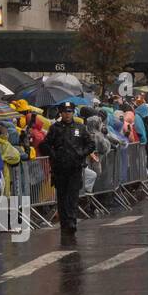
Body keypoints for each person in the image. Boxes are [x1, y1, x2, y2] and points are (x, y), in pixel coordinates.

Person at [43, 103, 94, 242]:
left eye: (69, 111)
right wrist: (54, 155)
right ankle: (64, 222)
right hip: (60, 169)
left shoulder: (80, 128)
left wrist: (81, 153)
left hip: (75, 168)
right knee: (62, 197)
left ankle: (71, 222)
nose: (67, 114)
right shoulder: (55, 128)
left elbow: (90, 144)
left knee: (73, 196)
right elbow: (45, 144)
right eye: (65, 112)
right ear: (60, 113)